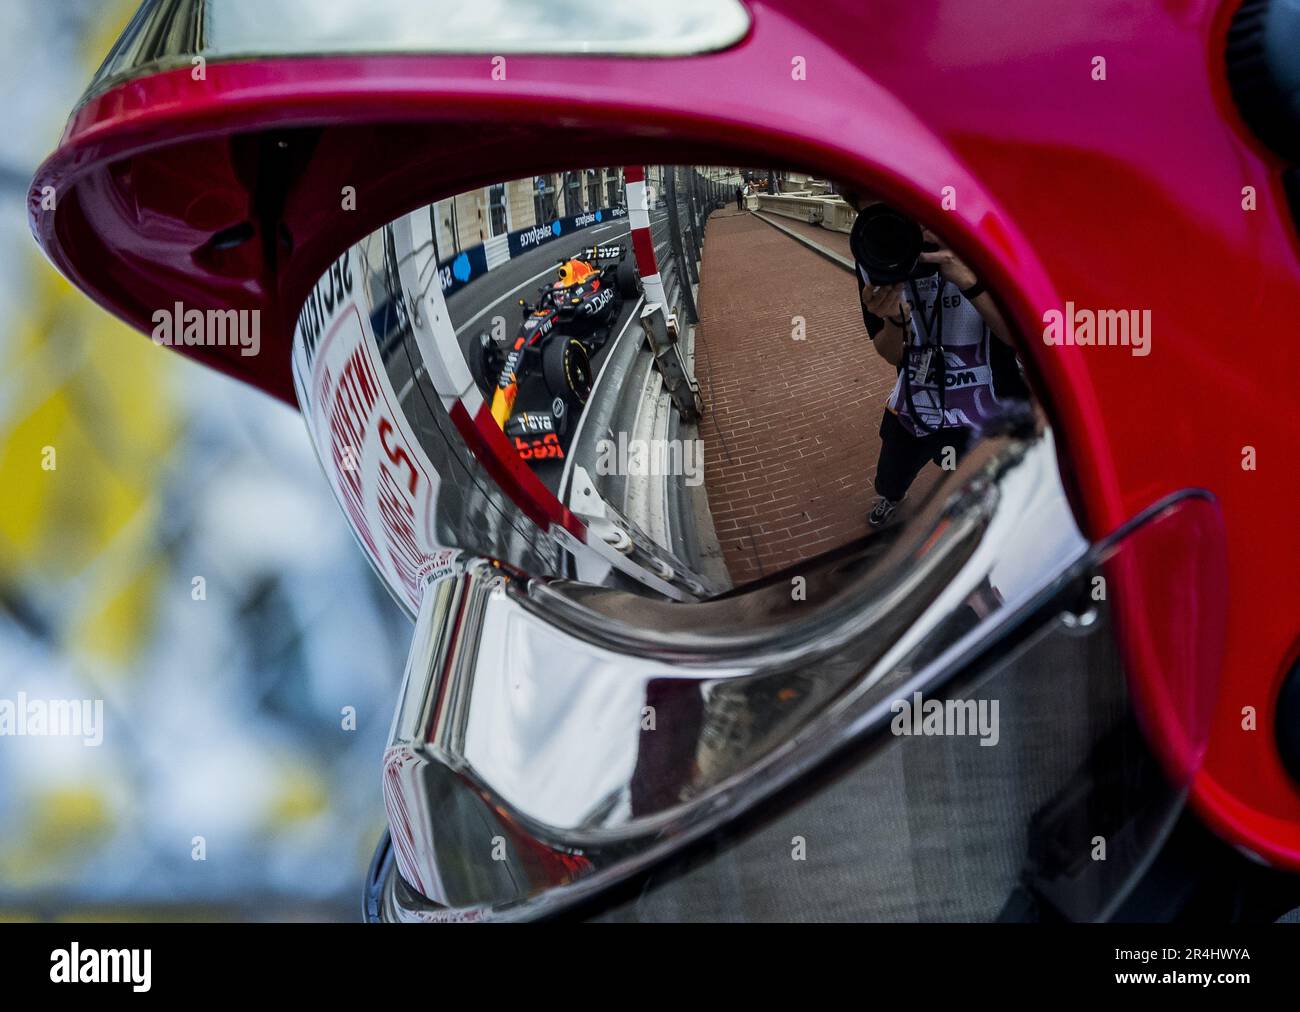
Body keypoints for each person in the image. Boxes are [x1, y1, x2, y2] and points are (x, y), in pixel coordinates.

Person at [841, 192, 1029, 528]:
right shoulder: (875, 253)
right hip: (917, 399)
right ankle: (891, 499)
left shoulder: (983, 242)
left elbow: (1019, 337)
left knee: (985, 491)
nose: (900, 228)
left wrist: (967, 278)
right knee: (890, 477)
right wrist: (894, 319)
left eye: (903, 210)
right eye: (881, 217)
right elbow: (890, 353)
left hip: (988, 407)